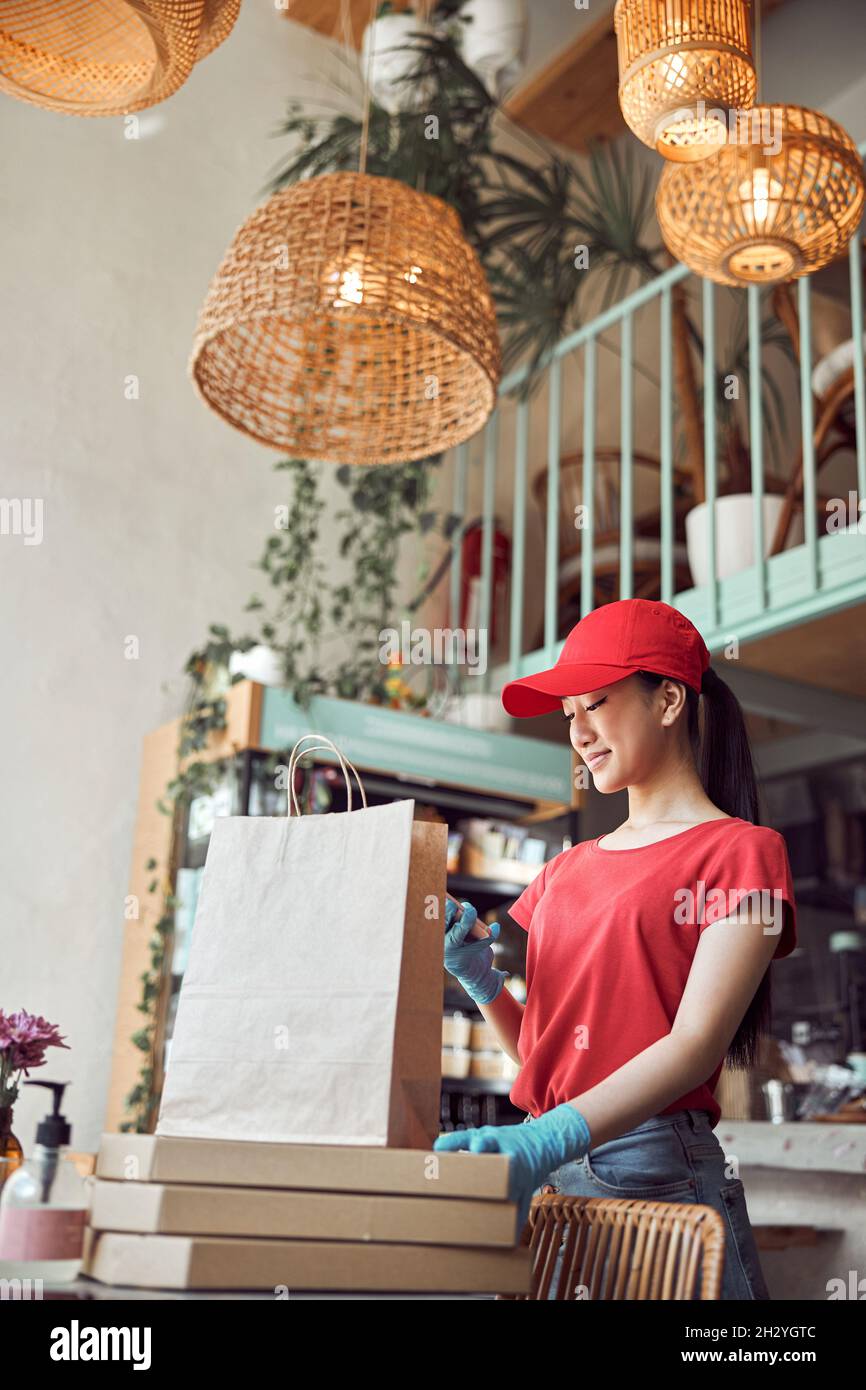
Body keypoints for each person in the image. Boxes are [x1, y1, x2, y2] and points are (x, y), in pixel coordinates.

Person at [435, 599, 797, 1300]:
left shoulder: (743, 856)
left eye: (595, 704)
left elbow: (694, 1045)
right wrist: (482, 985)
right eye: (568, 714)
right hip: (556, 1170)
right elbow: (553, 1056)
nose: (579, 732)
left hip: (654, 1168)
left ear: (667, 700)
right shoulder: (566, 870)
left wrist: (547, 1139)